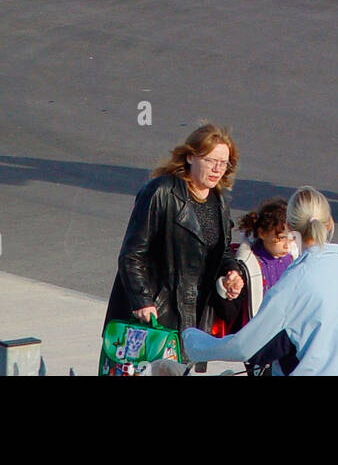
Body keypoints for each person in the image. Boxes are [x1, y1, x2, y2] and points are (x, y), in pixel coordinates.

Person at [182, 187, 338, 376]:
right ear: (328, 224)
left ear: (291, 227)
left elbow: (247, 348)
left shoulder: (295, 281)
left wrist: (194, 341)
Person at [104, 123, 244, 335]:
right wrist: (142, 301)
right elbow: (132, 255)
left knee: (180, 368)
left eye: (223, 163)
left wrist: (231, 272)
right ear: (190, 157)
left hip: (193, 317)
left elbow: (221, 250)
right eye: (210, 160)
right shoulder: (161, 192)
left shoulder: (219, 202)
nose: (217, 169)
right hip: (155, 314)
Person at [215, 196, 296, 333]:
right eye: (281, 238)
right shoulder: (247, 265)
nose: (287, 245)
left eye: (292, 237)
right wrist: (229, 290)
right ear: (262, 233)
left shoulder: (292, 259)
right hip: (254, 335)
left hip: (282, 331)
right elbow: (229, 314)